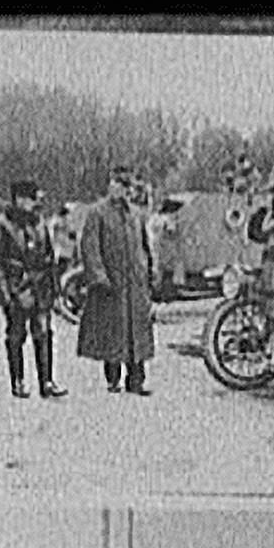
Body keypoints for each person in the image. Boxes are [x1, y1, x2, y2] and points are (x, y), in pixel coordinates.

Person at [0, 180, 68, 399]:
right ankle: (18, 381)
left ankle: (47, 382)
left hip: (40, 287)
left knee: (44, 333)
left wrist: (55, 290)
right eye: (32, 199)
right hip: (16, 289)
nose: (36, 203)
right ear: (19, 200)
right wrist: (4, 296)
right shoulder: (2, 225)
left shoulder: (40, 223)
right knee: (16, 335)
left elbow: (50, 258)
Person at [78, 165, 156, 395]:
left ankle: (137, 381)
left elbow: (145, 245)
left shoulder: (136, 214)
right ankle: (113, 379)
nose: (119, 189)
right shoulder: (97, 213)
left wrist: (150, 271)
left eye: (124, 185)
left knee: (138, 336)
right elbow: (90, 247)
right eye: (116, 183)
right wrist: (99, 277)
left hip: (135, 284)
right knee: (113, 334)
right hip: (112, 285)